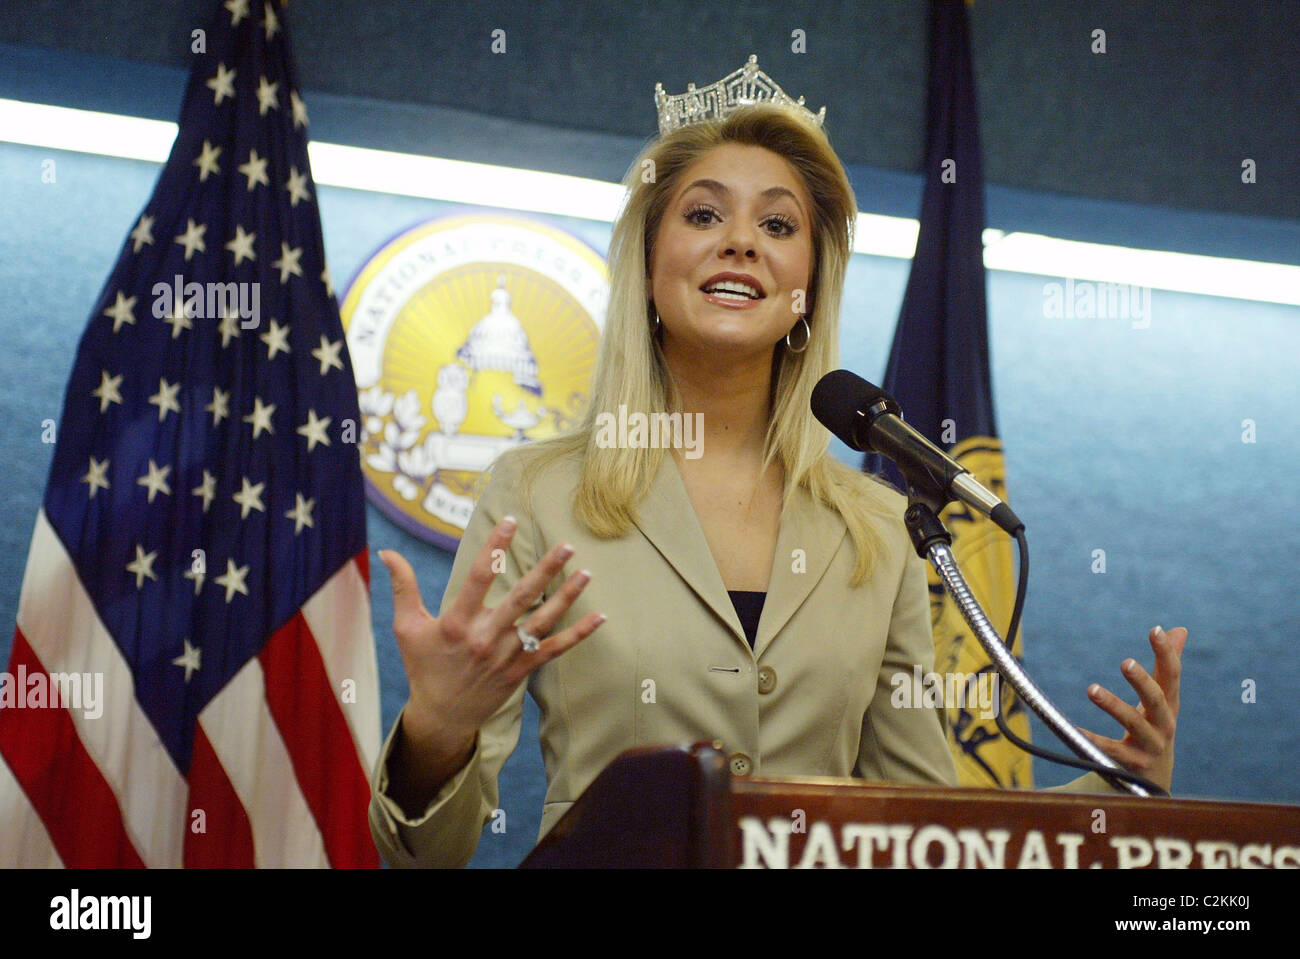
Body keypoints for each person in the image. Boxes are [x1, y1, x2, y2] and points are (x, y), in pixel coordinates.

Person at [367, 97, 1187, 869]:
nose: (741, 241)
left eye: (777, 224)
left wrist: (1115, 790)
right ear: (649, 266)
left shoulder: (880, 525)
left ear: (807, 288)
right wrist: (437, 727)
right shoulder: (538, 492)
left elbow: (927, 828)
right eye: (702, 213)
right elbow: (428, 853)